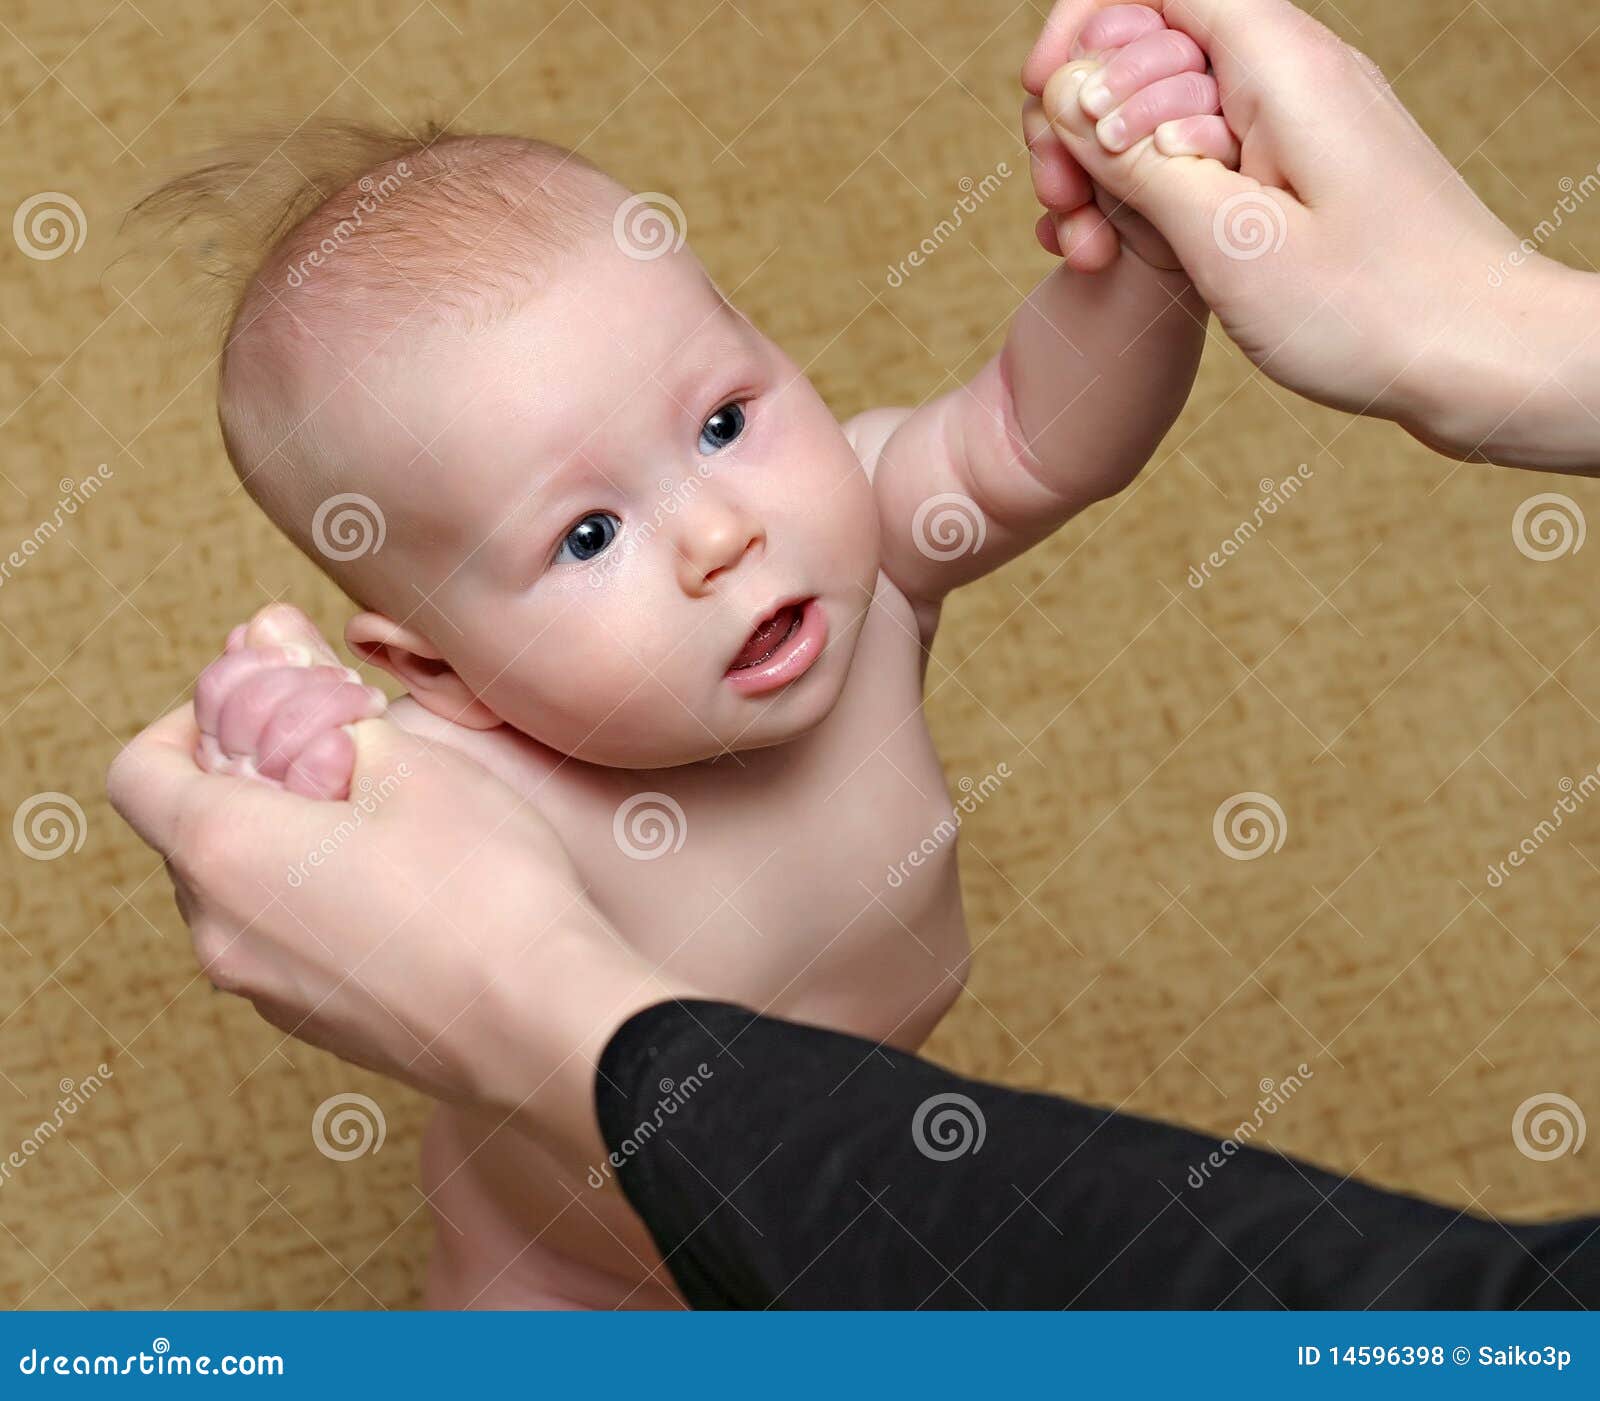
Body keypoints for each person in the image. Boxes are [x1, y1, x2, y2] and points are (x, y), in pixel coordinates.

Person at [109, 0, 1600, 1308]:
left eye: (721, 421)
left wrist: (1149, 259)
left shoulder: (872, 540)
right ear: (429, 666)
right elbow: (344, 868)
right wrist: (290, 737)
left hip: (840, 1156)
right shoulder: (471, 777)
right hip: (578, 1257)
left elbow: (1036, 433)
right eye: (583, 538)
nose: (719, 536)